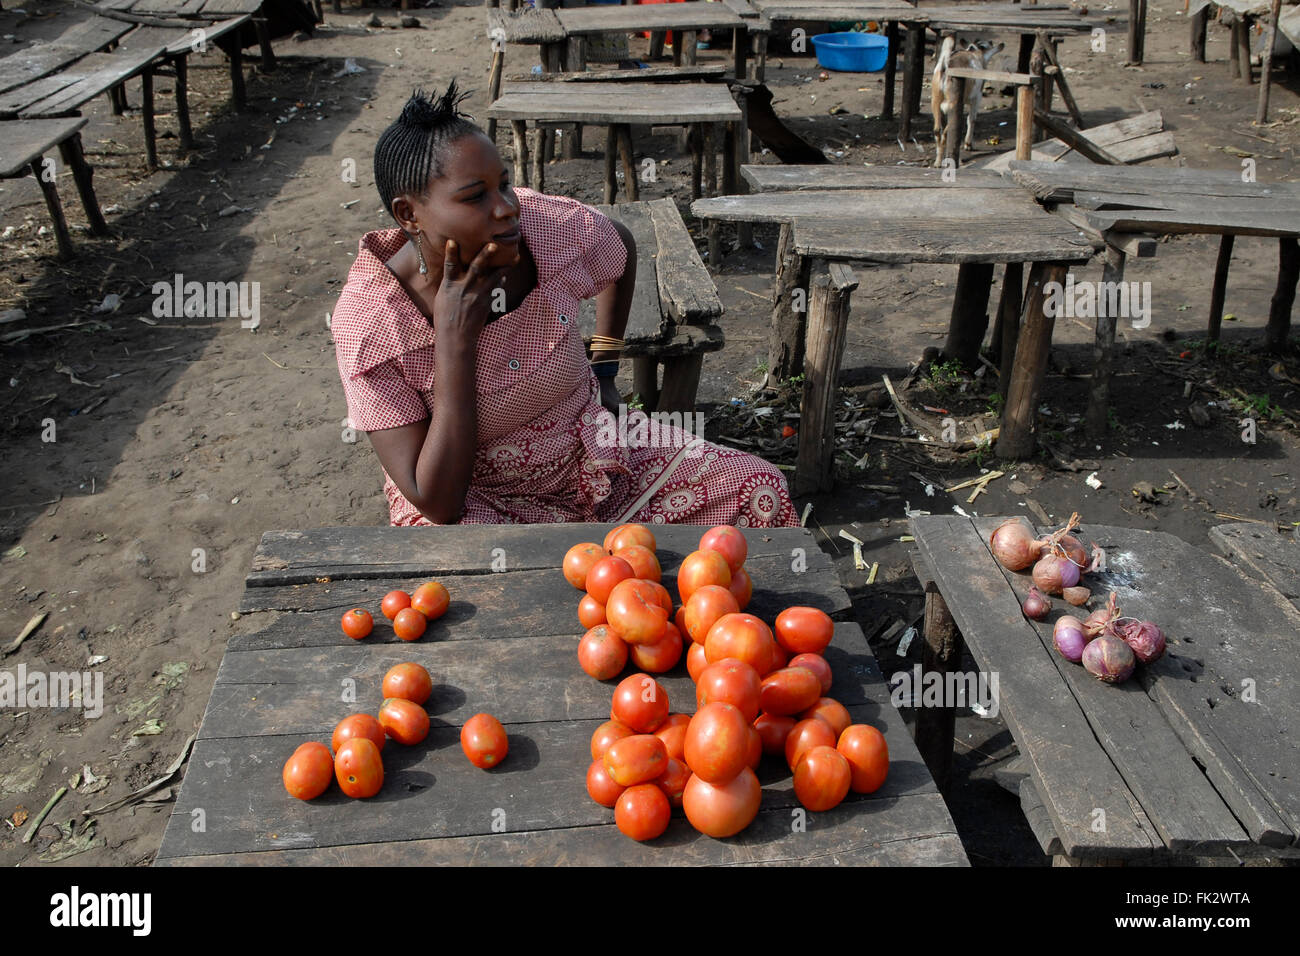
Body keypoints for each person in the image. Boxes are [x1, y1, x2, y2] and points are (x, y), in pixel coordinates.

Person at [331, 83, 799, 528]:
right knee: (472, 582)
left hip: (591, 449)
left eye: (505, 184)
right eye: (475, 197)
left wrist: (606, 369)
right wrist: (454, 344)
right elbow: (438, 502)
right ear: (408, 214)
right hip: (477, 496)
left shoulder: (542, 229)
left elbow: (618, 243)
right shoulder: (372, 325)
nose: (505, 208)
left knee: (760, 491)